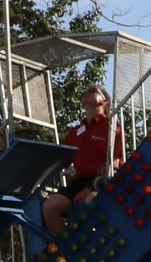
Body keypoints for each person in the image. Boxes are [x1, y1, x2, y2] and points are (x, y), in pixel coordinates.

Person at [42, 83, 120, 235]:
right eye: (86, 90)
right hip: (78, 182)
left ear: (105, 102)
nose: (87, 92)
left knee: (92, 199)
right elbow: (61, 162)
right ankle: (66, 246)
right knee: (50, 207)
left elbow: (114, 164)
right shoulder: (75, 132)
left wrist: (90, 187)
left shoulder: (112, 127)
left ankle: (97, 240)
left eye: (93, 91)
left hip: (102, 181)